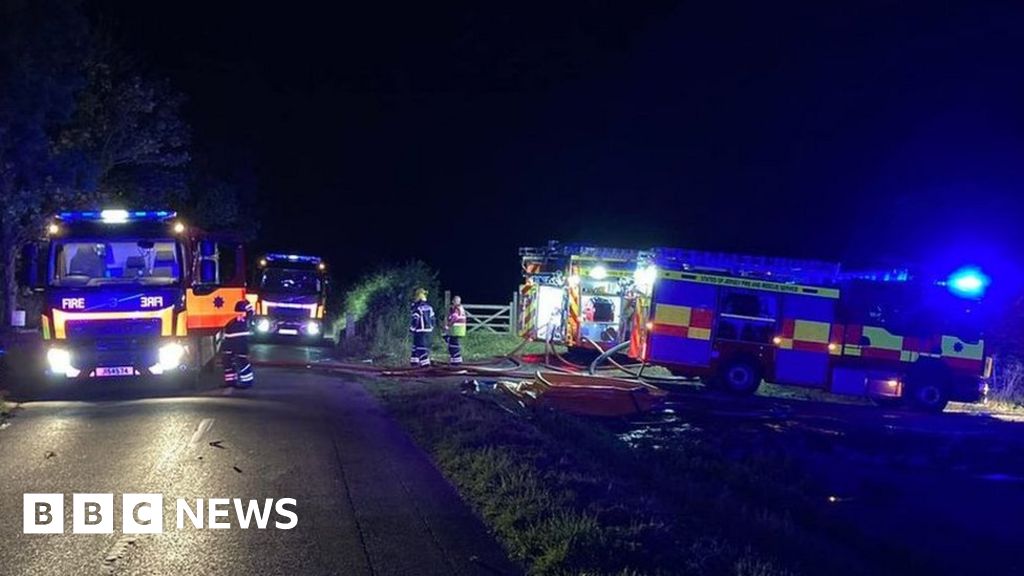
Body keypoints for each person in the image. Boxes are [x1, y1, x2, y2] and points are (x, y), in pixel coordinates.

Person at [222, 300, 254, 387]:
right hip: (229, 341)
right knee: (227, 361)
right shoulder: (232, 318)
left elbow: (251, 312)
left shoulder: (246, 319)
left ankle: (247, 382)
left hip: (241, 342)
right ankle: (230, 382)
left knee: (242, 361)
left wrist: (246, 318)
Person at [410, 288, 435, 367]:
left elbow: (415, 319)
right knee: (415, 345)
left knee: (420, 347)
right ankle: (414, 361)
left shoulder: (417, 308)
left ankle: (425, 363)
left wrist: (412, 328)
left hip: (419, 330)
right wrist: (432, 327)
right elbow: (433, 319)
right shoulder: (429, 307)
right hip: (428, 330)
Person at [444, 295, 467, 365]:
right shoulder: (461, 308)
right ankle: (455, 360)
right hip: (460, 329)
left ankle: (456, 361)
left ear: (453, 301)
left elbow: (455, 317)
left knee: (453, 344)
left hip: (456, 329)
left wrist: (448, 325)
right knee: (454, 343)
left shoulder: (456, 309)